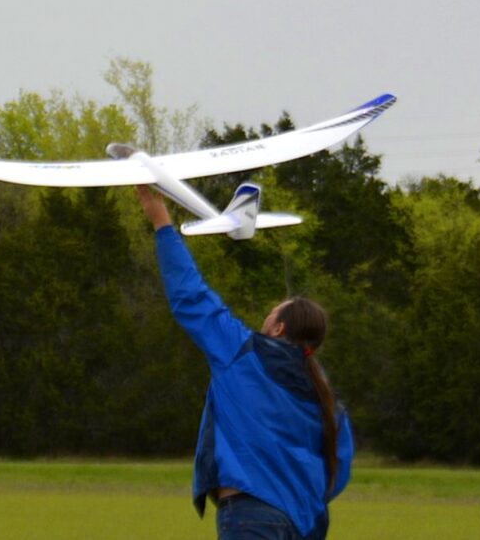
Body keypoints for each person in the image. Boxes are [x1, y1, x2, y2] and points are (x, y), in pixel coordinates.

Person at [136, 185, 354, 540]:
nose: (264, 321)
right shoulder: (325, 394)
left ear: (278, 327)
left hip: (252, 518)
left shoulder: (241, 352)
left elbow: (191, 296)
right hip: (307, 525)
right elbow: (337, 471)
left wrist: (161, 221)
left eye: (270, 315)